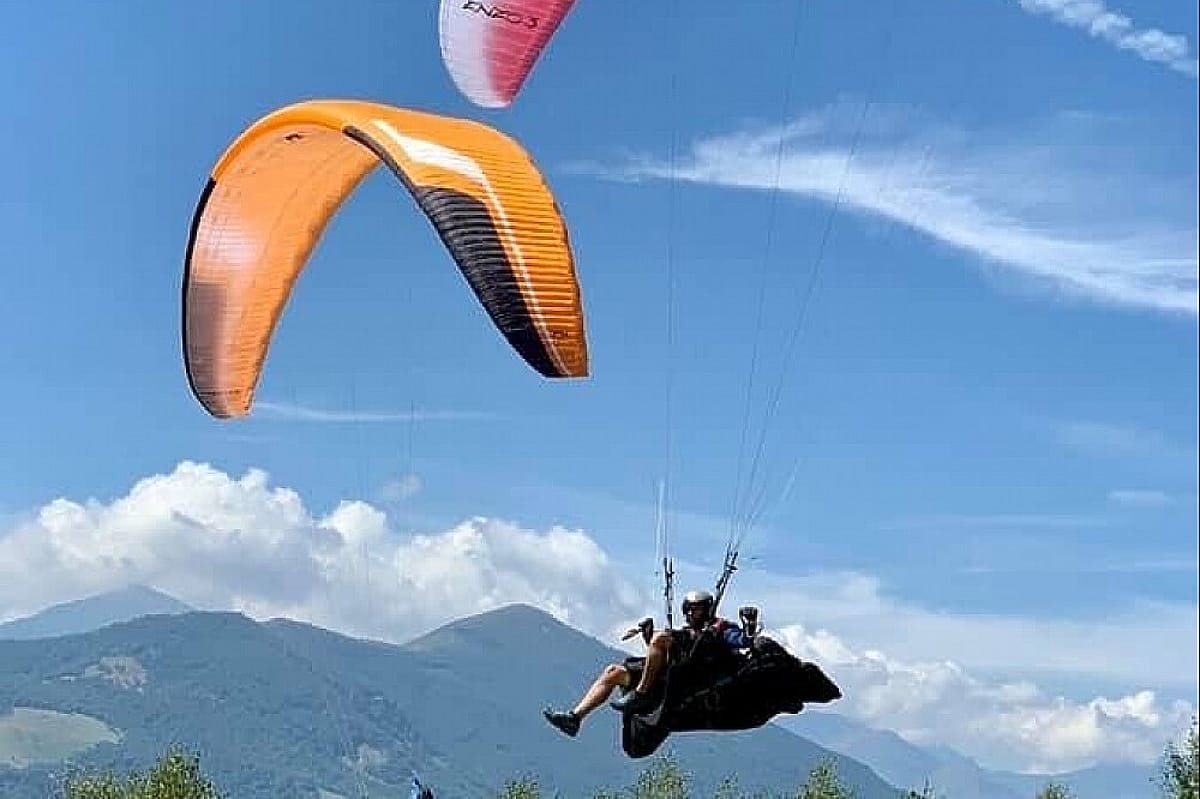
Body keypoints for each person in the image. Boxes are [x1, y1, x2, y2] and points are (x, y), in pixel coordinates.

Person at [542, 589, 755, 737]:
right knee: (612, 672)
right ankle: (575, 718)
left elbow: (743, 641)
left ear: (707, 609)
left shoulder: (722, 630)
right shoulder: (684, 633)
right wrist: (648, 636)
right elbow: (660, 653)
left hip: (686, 684)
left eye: (695, 609)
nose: (690, 614)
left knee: (661, 637)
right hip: (661, 677)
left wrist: (750, 625)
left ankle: (640, 695)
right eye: (688, 609)